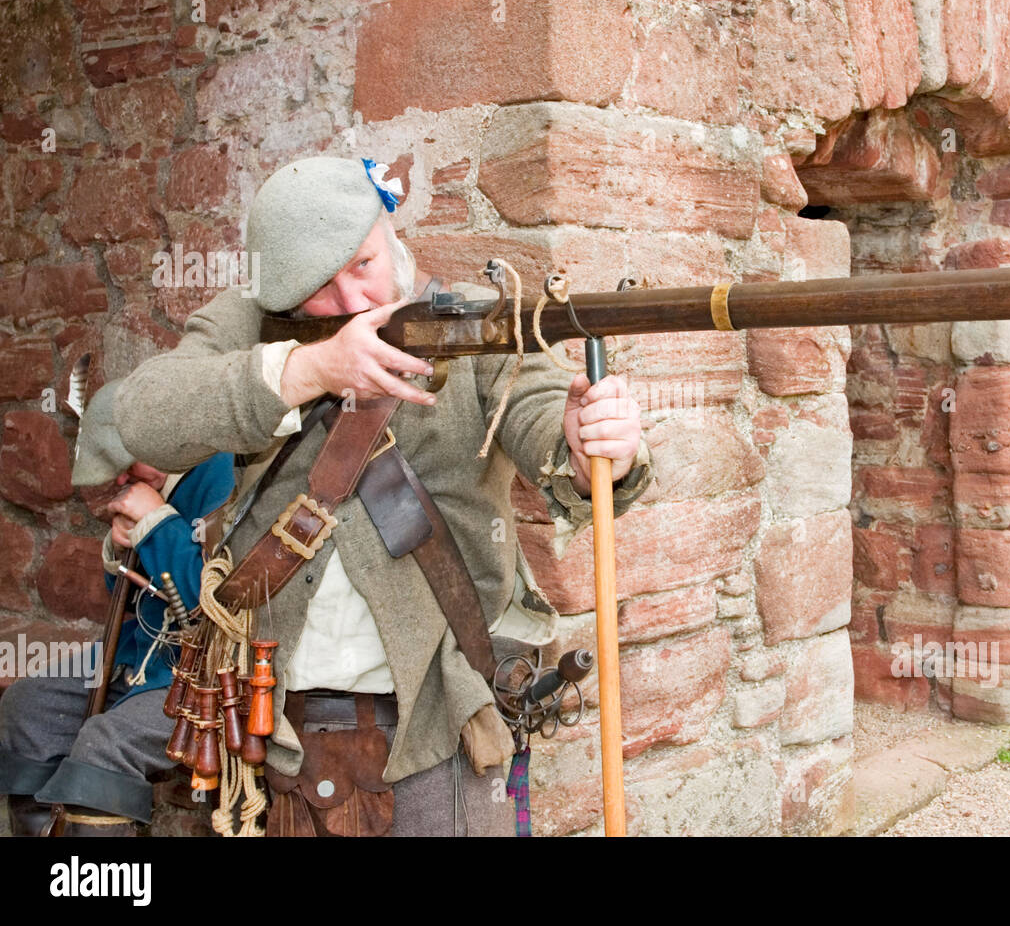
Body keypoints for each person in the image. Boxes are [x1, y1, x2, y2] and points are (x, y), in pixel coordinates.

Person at [109, 156, 653, 836]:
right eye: (319, 289)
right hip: (271, 729)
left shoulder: (478, 324)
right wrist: (309, 367)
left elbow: (549, 420)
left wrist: (590, 443)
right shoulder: (253, 327)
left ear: (386, 230)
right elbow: (142, 417)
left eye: (362, 265)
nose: (352, 302)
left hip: (440, 721)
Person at [0, 382, 235, 835]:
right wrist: (121, 544)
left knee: (105, 744)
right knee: (27, 707)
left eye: (129, 465)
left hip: (200, 670)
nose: (122, 479)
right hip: (139, 655)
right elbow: (125, 593)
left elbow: (209, 605)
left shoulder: (227, 476)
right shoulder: (153, 481)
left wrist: (157, 523)